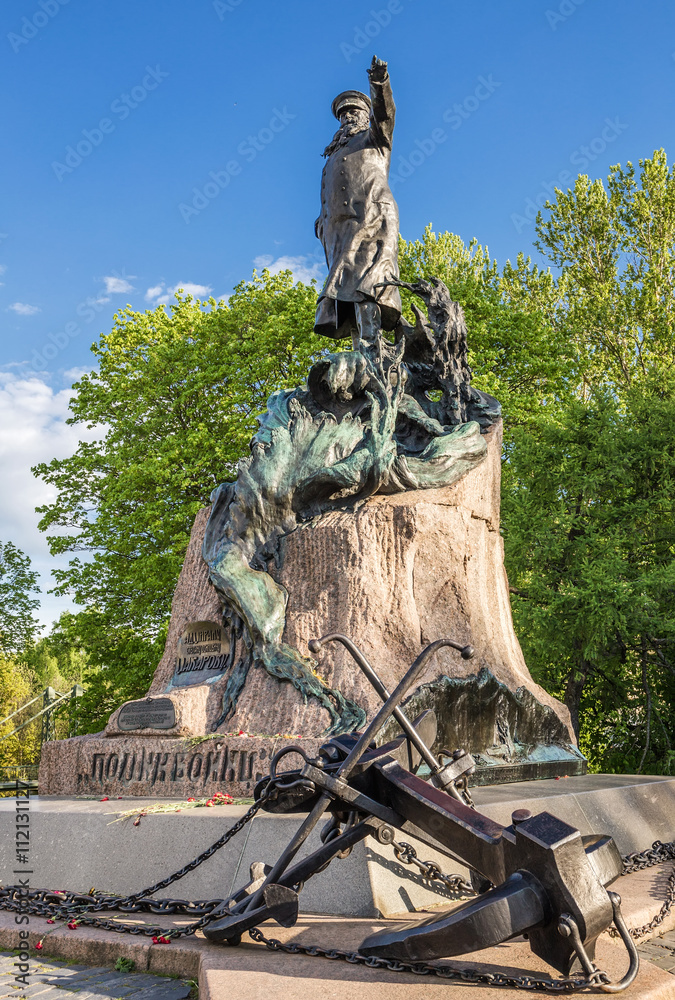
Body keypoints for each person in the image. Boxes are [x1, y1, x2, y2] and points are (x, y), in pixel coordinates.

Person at [314, 55, 401, 353]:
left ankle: (373, 350)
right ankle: (358, 352)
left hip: (372, 219)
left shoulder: (376, 138)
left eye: (353, 111)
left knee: (368, 283)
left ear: (366, 115)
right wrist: (321, 222)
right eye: (343, 114)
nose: (347, 117)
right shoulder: (333, 154)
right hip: (338, 230)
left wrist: (379, 81)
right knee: (343, 292)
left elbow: (385, 113)